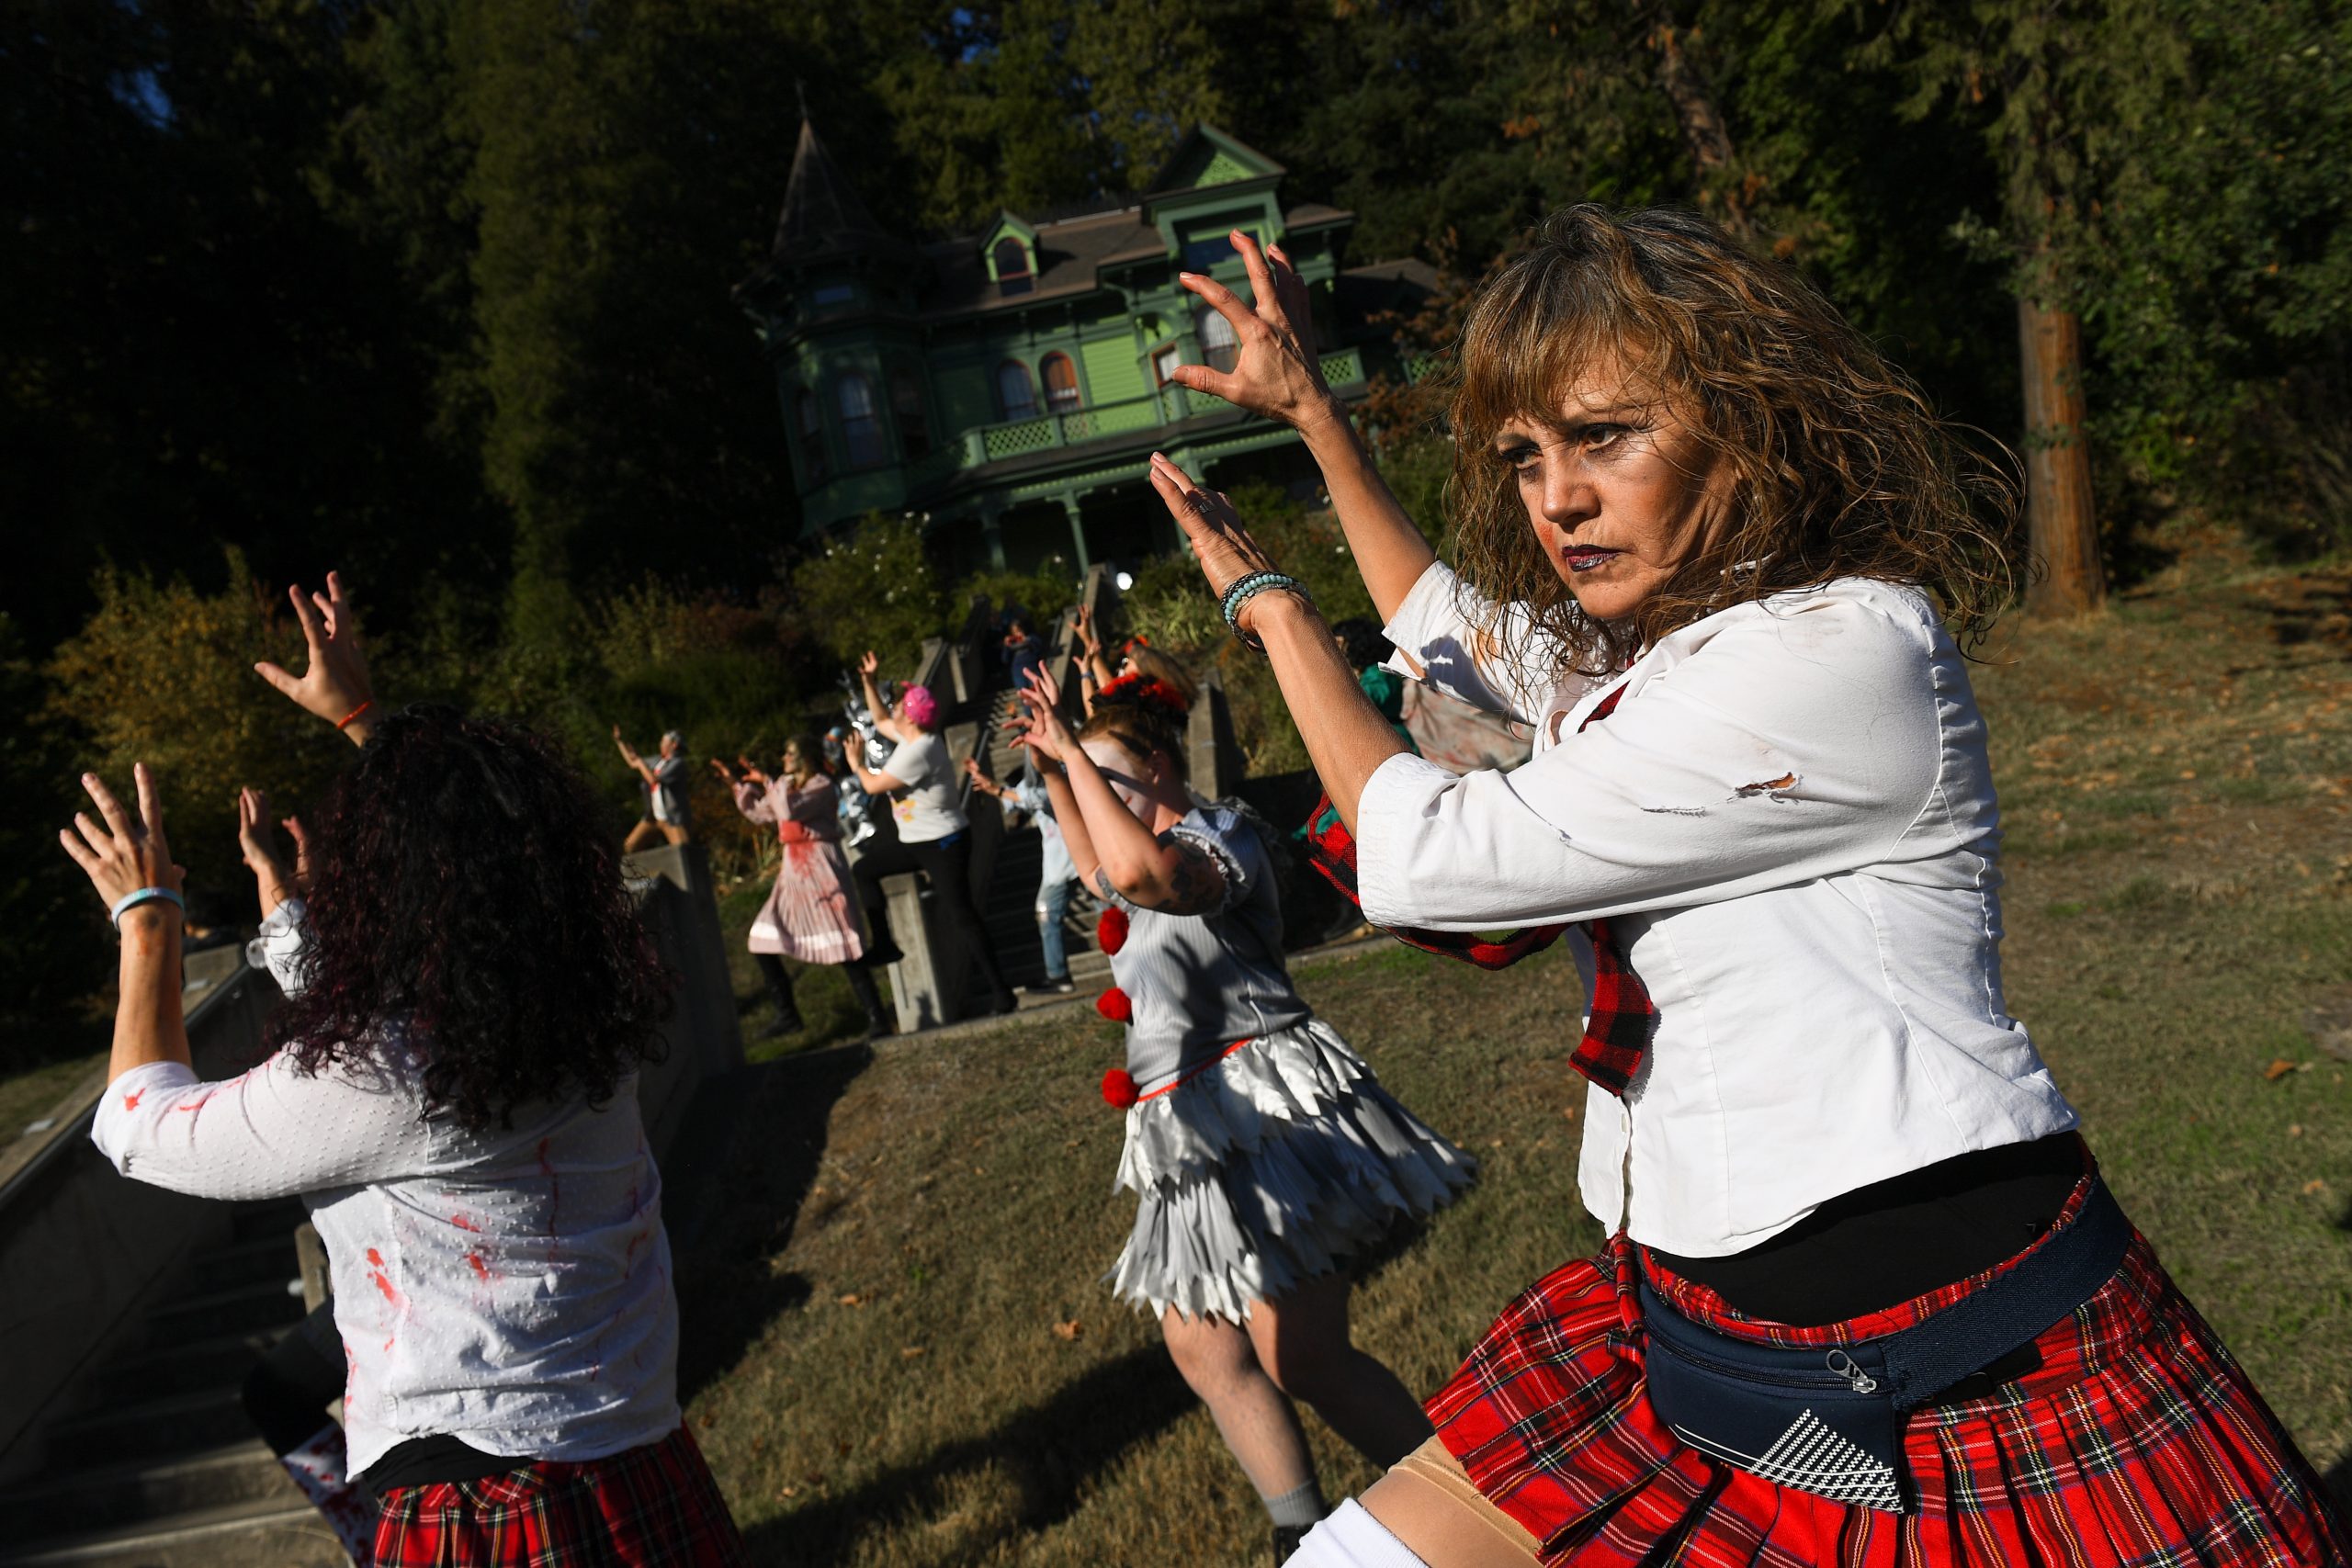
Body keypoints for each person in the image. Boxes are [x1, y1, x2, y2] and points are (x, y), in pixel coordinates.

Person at [1146, 214, 2352, 1566]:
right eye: (1526, 456)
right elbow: (1461, 632)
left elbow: (1433, 856)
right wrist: (1320, 423)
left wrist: (1273, 609)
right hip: (1699, 1333)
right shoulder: (1665, 656)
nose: (1556, 499)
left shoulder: (1843, 649)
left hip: (1963, 1354)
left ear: (1747, 422)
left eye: (1604, 437)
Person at [61, 572, 747, 1565]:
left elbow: (139, 1126)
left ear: (383, 885)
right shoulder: (579, 1005)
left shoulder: (390, 1070)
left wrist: (148, 919)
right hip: (646, 1472)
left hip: (486, 1510)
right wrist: (364, 721)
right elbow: (473, 849)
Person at [1010, 663, 1476, 1562]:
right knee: (1205, 1352)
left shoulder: (1218, 838)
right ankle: (1298, 1534)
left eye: (1107, 778)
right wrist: (1060, 771)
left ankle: (1471, 1511)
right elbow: (1103, 868)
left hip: (1267, 1115)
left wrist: (1072, 750)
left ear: (1157, 765)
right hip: (1187, 1133)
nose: (1095, 796)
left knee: (1305, 1358)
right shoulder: (1132, 847)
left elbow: (1139, 872)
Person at [842, 650, 1019, 1018]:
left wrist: (856, 765)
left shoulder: (919, 750)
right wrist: (868, 681)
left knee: (962, 916)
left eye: (899, 704)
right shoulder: (912, 739)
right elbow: (879, 719)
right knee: (865, 870)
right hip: (918, 842)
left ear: (909, 716)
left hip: (944, 843)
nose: (893, 707)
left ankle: (1002, 993)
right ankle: (885, 943)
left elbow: (872, 786)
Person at [714, 737, 891, 1040]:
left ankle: (877, 1018)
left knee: (842, 942)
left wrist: (770, 781)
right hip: (793, 871)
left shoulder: (820, 786)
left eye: (790, 753)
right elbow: (760, 812)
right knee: (762, 938)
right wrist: (737, 784)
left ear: (805, 758)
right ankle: (788, 1015)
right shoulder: (788, 787)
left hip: (821, 867)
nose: (784, 758)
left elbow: (789, 811)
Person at [963, 753, 1080, 995]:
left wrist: (997, 790)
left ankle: (1060, 974)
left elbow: (1039, 797)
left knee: (1102, 909)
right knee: (1050, 912)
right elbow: (1020, 797)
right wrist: (987, 782)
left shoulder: (1065, 771)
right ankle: (1058, 974)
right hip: (1062, 861)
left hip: (1077, 855)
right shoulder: (1032, 781)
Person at [614, 726, 691, 852]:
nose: (661, 744)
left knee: (684, 852)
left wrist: (640, 763)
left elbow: (653, 779)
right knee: (628, 848)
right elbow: (633, 762)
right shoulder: (657, 760)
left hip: (671, 818)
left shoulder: (678, 763)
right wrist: (620, 742)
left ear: (674, 745)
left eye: (664, 741)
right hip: (653, 818)